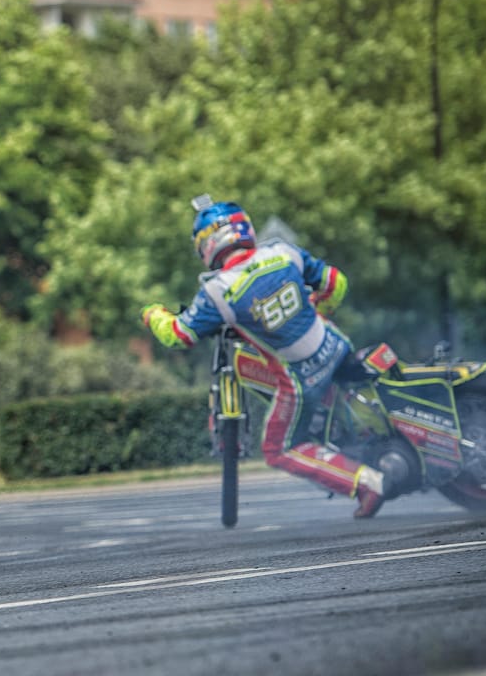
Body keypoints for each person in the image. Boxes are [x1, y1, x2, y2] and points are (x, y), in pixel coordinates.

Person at [140, 196, 387, 518]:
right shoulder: (282, 252)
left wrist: (152, 313)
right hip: (336, 345)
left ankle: (365, 482)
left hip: (303, 378)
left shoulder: (218, 290)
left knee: (277, 448)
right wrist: (317, 309)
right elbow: (334, 283)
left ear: (208, 243)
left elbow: (178, 335)